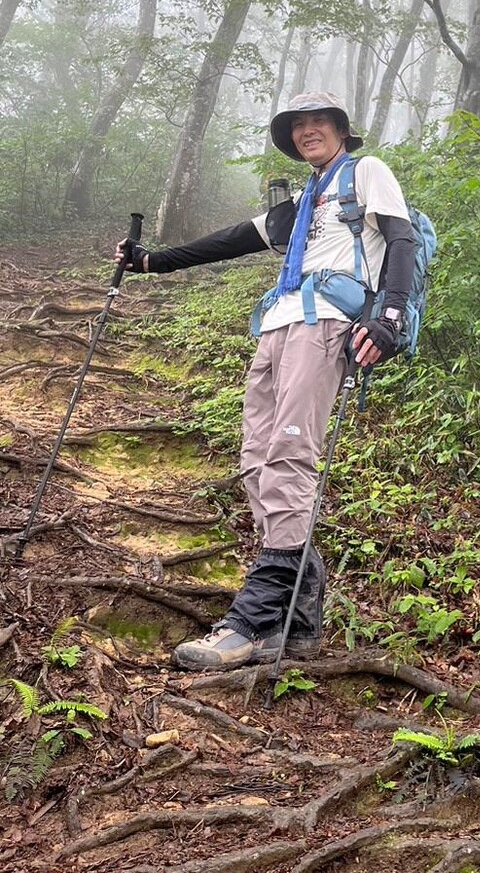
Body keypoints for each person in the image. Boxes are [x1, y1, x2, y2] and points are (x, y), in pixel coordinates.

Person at [117, 91, 416, 670]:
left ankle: (253, 621)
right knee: (257, 458)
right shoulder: (301, 200)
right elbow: (232, 240)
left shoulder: (366, 172)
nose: (309, 131)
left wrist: (389, 316)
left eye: (319, 122)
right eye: (298, 126)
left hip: (326, 324)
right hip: (278, 325)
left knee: (289, 455)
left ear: (340, 130)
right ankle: (298, 625)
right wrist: (151, 261)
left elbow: (400, 240)